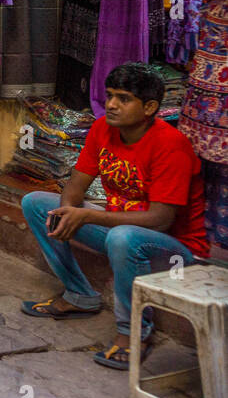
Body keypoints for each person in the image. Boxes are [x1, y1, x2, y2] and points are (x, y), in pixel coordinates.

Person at [20, 62, 210, 369]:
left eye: (123, 98)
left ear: (150, 107)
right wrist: (68, 209)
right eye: (109, 95)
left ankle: (133, 332)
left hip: (174, 250)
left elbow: (161, 219)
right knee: (37, 203)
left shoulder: (171, 145)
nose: (110, 104)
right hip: (121, 229)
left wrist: (88, 218)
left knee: (123, 237)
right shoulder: (101, 129)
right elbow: (76, 185)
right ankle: (80, 295)